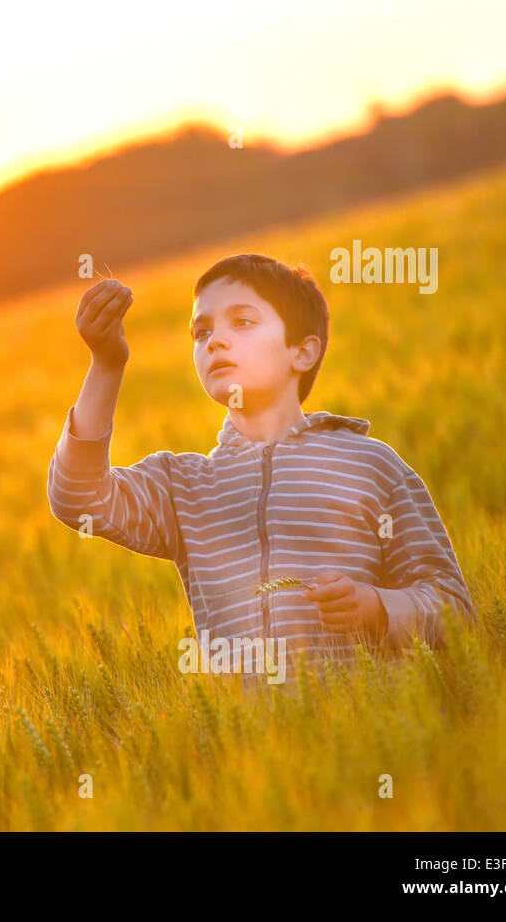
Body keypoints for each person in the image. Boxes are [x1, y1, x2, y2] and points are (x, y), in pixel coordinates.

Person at [46, 253, 475, 688]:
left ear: (302, 352)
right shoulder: (184, 488)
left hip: (366, 736)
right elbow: (78, 498)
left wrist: (376, 607)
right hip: (249, 748)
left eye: (243, 322)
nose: (215, 341)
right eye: (201, 332)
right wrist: (106, 364)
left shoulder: (370, 466)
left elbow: (455, 610)